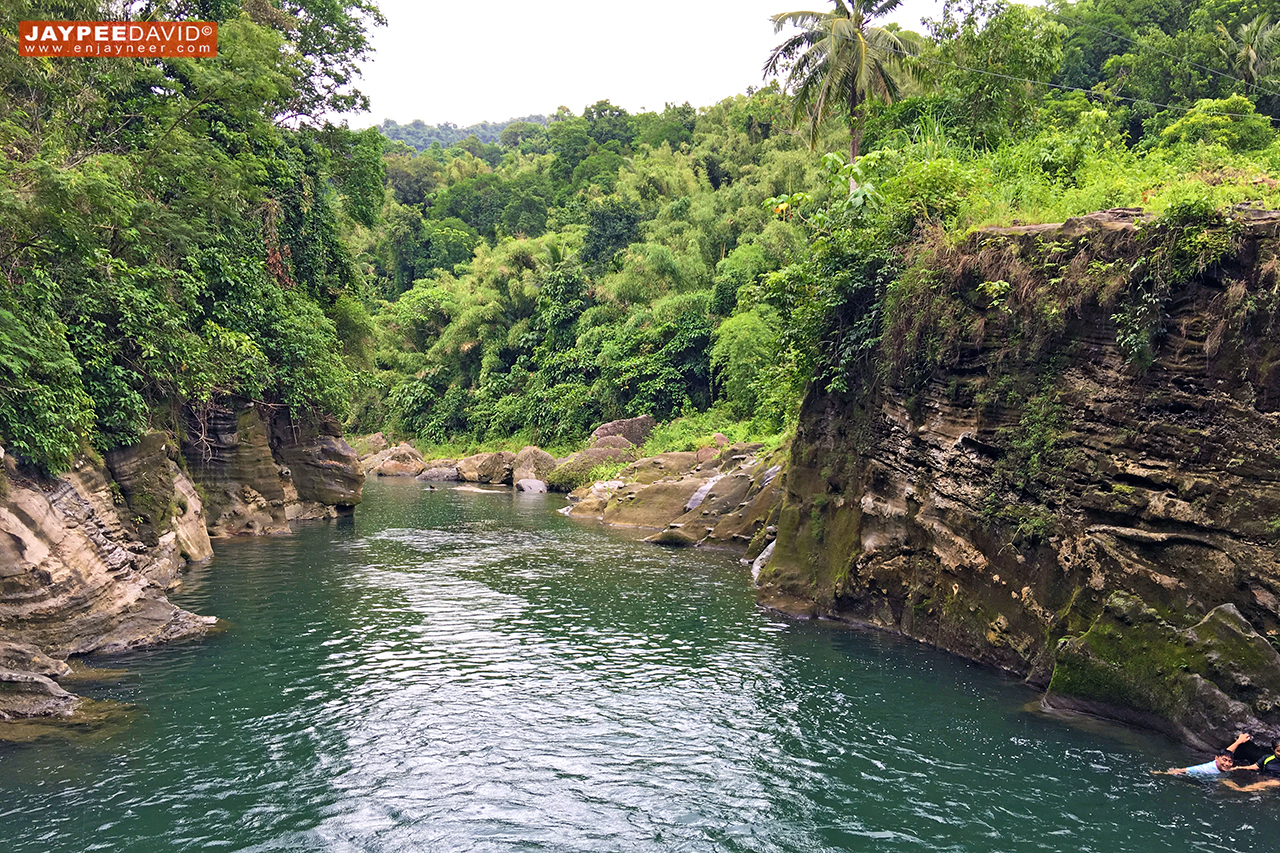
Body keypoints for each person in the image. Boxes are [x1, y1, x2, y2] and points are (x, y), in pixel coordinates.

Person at [1153, 733, 1252, 777]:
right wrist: (1162, 773)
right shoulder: (1207, 769)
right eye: (1224, 760)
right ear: (1216, 759)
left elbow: (1228, 753)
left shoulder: (1222, 762)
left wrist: (1239, 741)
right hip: (1204, 778)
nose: (1227, 763)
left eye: (1230, 761)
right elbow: (1187, 770)